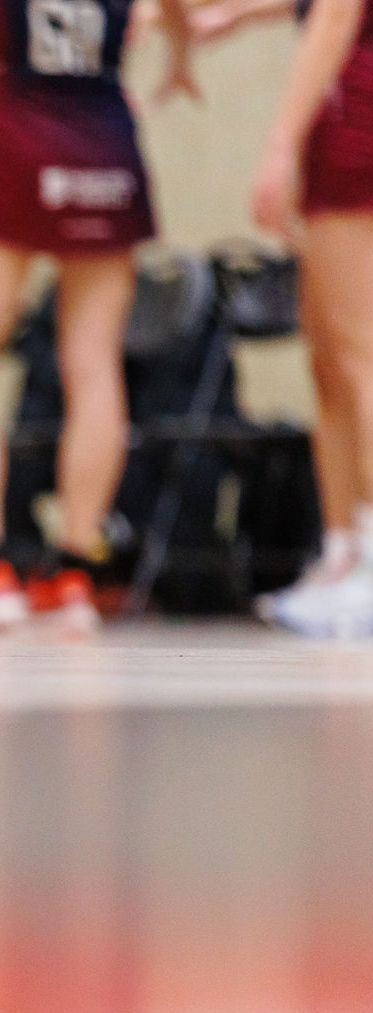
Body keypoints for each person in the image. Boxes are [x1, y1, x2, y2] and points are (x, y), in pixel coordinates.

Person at [0, 0, 198, 632]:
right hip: (107, 144)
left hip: (19, 139)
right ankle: (74, 568)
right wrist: (179, 58)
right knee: (94, 365)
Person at [247, 0, 373, 635]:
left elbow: (334, 14)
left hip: (354, 110)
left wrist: (280, 145)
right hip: (346, 110)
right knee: (329, 357)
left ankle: (370, 559)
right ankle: (343, 548)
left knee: (360, 355)